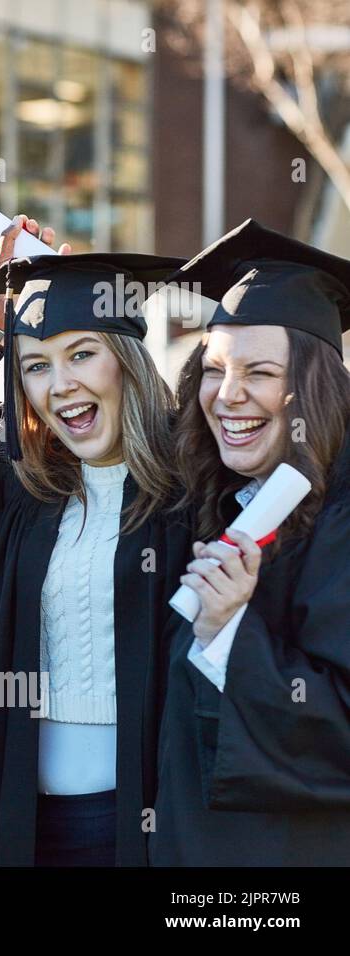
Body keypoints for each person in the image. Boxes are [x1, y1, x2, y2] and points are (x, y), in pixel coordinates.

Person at [0, 248, 192, 866]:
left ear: (128, 361)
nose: (60, 384)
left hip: (139, 828)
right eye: (36, 365)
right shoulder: (29, 499)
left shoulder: (191, 498)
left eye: (82, 354)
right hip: (27, 826)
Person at [150, 219, 350, 865]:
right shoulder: (211, 500)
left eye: (258, 372)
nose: (227, 395)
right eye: (213, 369)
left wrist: (228, 629)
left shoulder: (342, 522)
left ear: (310, 390)